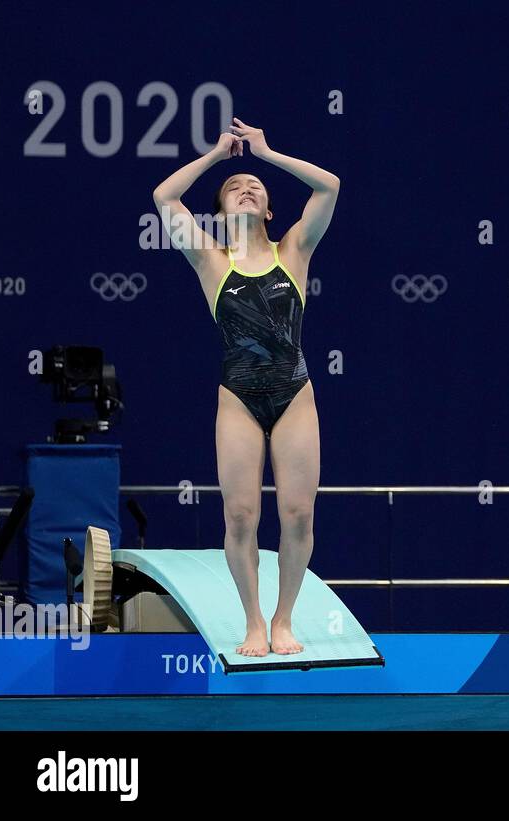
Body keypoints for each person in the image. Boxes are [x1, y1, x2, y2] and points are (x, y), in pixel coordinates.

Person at [152, 118, 340, 656]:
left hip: (294, 393)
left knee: (299, 514)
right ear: (223, 210)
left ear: (271, 209)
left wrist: (266, 151)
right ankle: (254, 622)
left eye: (254, 186)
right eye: (235, 188)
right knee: (240, 515)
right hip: (237, 396)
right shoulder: (210, 260)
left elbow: (329, 186)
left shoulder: (295, 250)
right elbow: (164, 196)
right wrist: (217, 156)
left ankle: (285, 621)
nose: (247, 186)